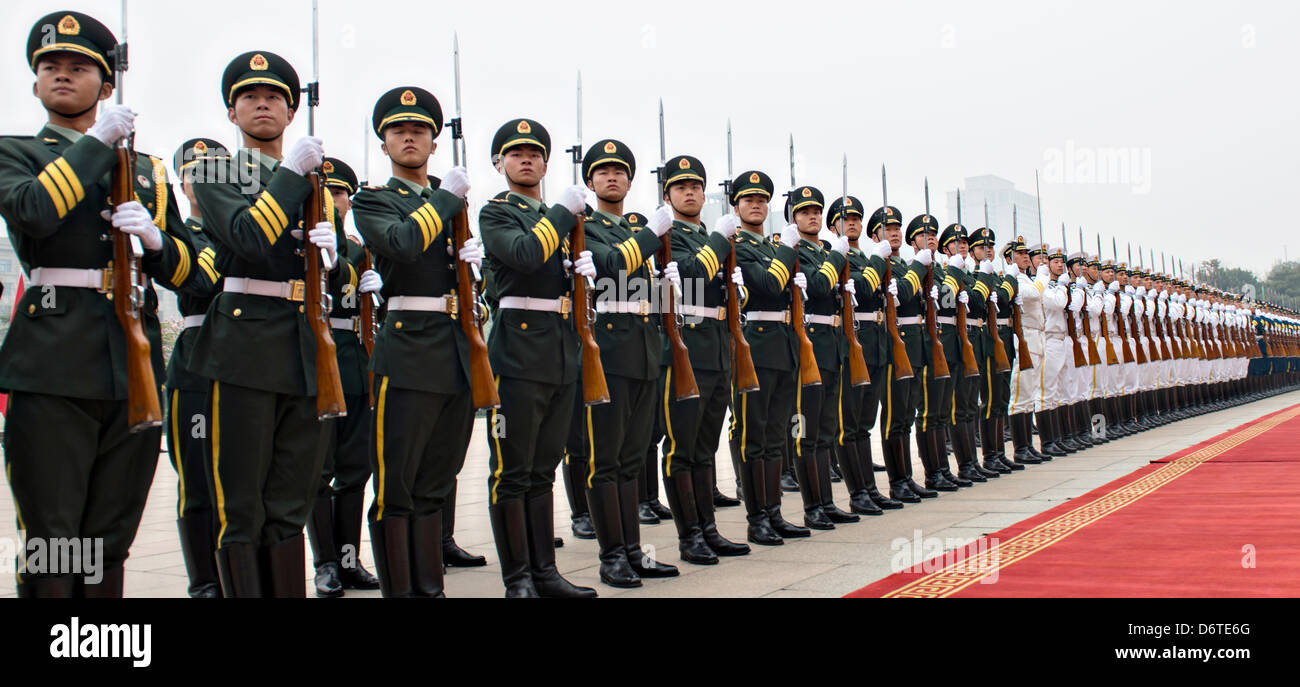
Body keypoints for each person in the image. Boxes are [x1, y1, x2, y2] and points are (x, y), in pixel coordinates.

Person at [1, 11, 190, 596]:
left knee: (110, 537)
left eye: (79, 67)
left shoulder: (149, 173)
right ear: (35, 83)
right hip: (53, 364)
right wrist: (99, 142)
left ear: (107, 84)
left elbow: (195, 275)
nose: (62, 75)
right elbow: (33, 209)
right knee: (55, 538)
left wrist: (158, 243)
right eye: (50, 66)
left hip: (130, 364)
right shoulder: (17, 152)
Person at [189, 50, 344, 597]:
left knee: (289, 502)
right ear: (232, 113)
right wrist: (289, 177)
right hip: (245, 343)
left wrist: (333, 256)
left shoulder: (316, 182)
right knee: (242, 504)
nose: (262, 104)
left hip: (305, 346)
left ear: (292, 110)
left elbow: (339, 273)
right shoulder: (213, 171)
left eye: (275, 97)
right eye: (249, 97)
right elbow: (246, 239)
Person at [479, 118, 596, 597]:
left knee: (543, 467)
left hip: (559, 352)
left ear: (546, 162)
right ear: (500, 163)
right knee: (512, 469)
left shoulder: (562, 216)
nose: (526, 159)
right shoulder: (496, 213)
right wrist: (563, 218)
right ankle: (518, 578)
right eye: (515, 153)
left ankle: (545, 572)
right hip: (516, 355)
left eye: (534, 153)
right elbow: (526, 256)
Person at [575, 138, 678, 587]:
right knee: (606, 460)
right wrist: (652, 236)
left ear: (630, 181)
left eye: (619, 171)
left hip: (643, 350)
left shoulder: (635, 229)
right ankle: (611, 554)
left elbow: (640, 295)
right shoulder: (586, 227)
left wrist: (667, 288)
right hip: (609, 352)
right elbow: (612, 267)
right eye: (602, 172)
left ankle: (634, 551)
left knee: (633, 459)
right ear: (591, 182)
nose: (611, 177)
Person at [655, 154, 751, 563]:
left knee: (705, 446)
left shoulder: (714, 237)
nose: (690, 192)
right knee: (682, 446)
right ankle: (689, 535)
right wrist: (719, 244)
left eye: (696, 186)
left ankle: (708, 528)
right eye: (681, 187)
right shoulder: (665, 235)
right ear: (668, 195)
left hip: (716, 346)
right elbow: (691, 276)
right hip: (686, 350)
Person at [303, 156, 382, 597]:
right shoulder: (305, 238)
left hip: (355, 359)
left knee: (355, 469)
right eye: (325, 191)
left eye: (339, 193)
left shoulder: (360, 248)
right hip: (318, 357)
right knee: (319, 468)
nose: (332, 200)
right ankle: (325, 563)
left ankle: (350, 560)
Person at [167, 137, 230, 598]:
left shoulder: (247, 231)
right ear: (183, 183)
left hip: (246, 362)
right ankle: (205, 581)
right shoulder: (180, 235)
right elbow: (196, 277)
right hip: (195, 362)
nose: (205, 180)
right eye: (195, 172)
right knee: (198, 481)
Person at [786, 185, 860, 528]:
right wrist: (836, 260)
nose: (812, 216)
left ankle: (827, 502)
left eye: (816, 210)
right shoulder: (794, 250)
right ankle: (812, 506)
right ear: (793, 218)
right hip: (809, 344)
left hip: (832, 343)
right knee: (808, 431)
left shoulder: (828, 251)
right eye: (804, 212)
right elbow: (816, 286)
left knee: (828, 428)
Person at [832, 195, 900, 512]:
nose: (853, 223)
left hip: (873, 343)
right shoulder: (836, 256)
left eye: (857, 219)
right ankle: (856, 492)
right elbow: (858, 286)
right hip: (850, 343)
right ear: (835, 226)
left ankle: (869, 488)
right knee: (850, 423)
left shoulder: (862, 257)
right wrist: (877, 264)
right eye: (846, 219)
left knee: (864, 423)